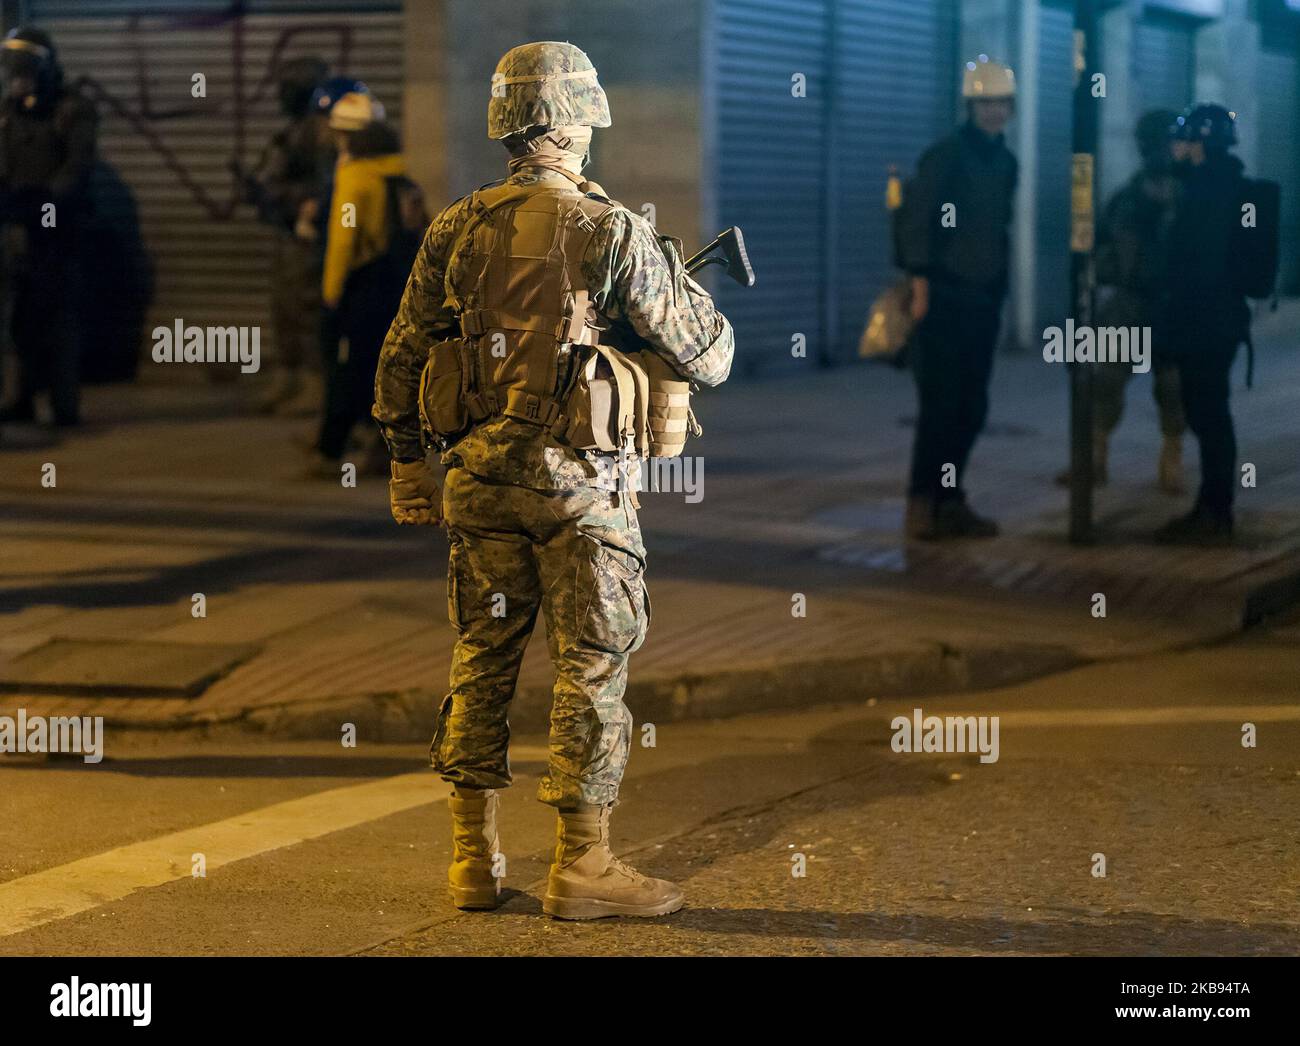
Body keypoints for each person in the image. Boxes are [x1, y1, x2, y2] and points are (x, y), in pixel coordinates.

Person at [372, 41, 734, 919]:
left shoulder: (456, 227)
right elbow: (705, 357)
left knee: (483, 657)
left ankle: (473, 861)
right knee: (590, 669)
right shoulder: (612, 230)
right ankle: (583, 865)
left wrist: (404, 462)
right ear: (576, 123)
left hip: (479, 487)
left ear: (507, 127)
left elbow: (399, 355)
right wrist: (696, 308)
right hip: (582, 497)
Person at [896, 56, 1018, 540]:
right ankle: (923, 505)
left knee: (972, 406)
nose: (994, 111)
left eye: (1001, 102)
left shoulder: (1006, 161)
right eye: (986, 102)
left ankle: (951, 499)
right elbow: (917, 220)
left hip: (982, 301)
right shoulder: (945, 156)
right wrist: (921, 284)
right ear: (971, 105)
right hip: (943, 298)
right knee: (941, 406)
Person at [1057, 109, 1186, 492]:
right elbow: (1096, 252)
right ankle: (1094, 461)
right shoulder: (1125, 200)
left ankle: (1171, 464)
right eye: (1152, 143)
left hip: (1174, 308)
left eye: (1167, 142)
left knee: (1175, 388)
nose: (1160, 151)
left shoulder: (1191, 198)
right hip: (1130, 304)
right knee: (1104, 383)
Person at [1154, 104, 1249, 545]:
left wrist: (1174, 329)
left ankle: (1214, 513)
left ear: (1199, 146)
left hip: (1205, 325)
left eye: (1184, 139)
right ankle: (1212, 510)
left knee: (1209, 417)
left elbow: (1196, 268)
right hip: (1220, 322)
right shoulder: (1224, 184)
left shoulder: (1207, 192)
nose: (1176, 147)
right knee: (1210, 415)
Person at [310, 91, 415, 476]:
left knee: (345, 369)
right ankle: (381, 447)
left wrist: (332, 291)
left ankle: (329, 451)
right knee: (383, 368)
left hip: (362, 285)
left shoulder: (355, 176)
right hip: (395, 283)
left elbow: (344, 236)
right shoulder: (397, 171)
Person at [0, 26, 96, 429]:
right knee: (20, 319)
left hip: (58, 230)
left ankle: (63, 407)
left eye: (23, 73)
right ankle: (21, 399)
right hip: (17, 228)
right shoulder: (7, 110)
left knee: (57, 319)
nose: (17, 81)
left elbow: (76, 169)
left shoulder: (73, 109)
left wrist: (42, 207)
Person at [241, 55, 329, 416]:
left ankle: (314, 381)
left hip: (305, 235)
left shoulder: (318, 133)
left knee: (307, 307)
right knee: (285, 307)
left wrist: (286, 197)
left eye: (288, 89)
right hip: (286, 233)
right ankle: (289, 373)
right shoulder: (293, 130)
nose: (281, 96)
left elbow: (323, 188)